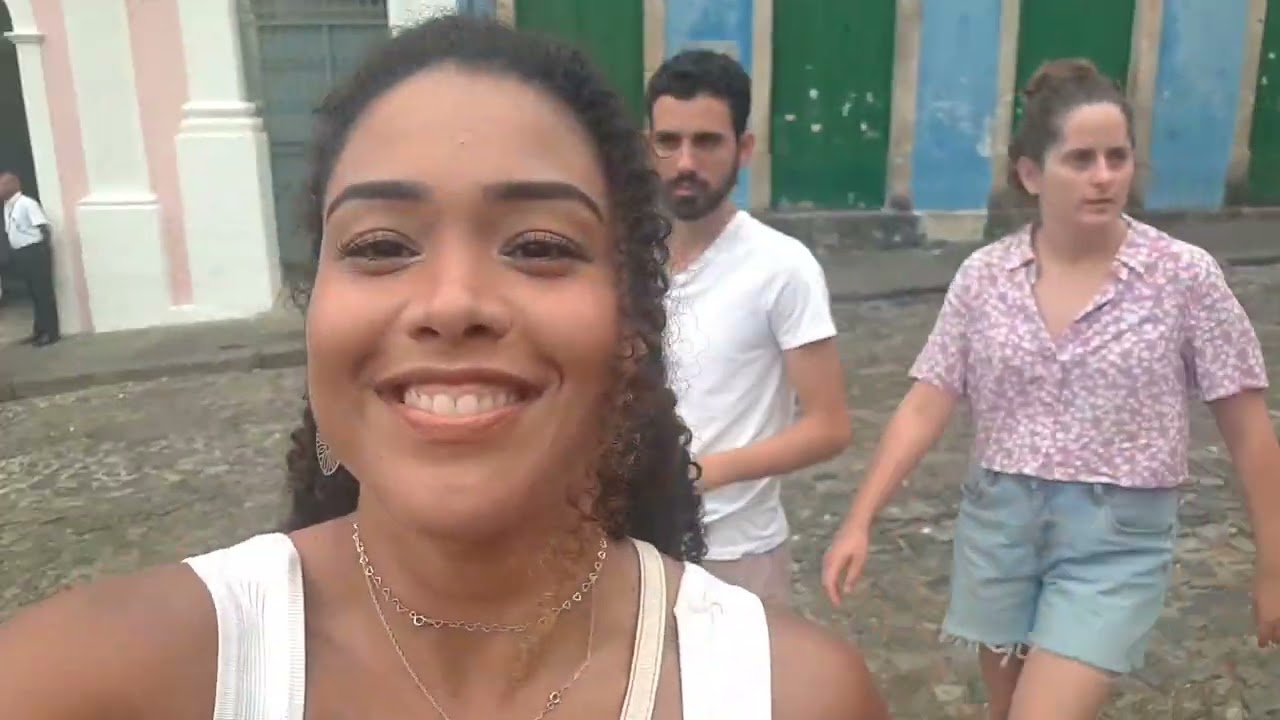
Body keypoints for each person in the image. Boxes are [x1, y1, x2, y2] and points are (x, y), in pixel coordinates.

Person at [0, 16, 890, 720]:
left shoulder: (789, 696)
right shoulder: (92, 681)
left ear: (631, 329)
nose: (452, 300)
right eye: (380, 245)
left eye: (540, 245)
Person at [822, 58, 1280, 720]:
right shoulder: (985, 277)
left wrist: (1272, 564)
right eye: (1081, 159)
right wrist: (859, 519)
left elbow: (1249, 429)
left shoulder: (1183, 278)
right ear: (1031, 173)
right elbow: (927, 401)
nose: (1103, 177)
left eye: (1117, 158)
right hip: (1000, 531)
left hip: (1115, 541)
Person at [646, 50, 852, 607]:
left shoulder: (781, 268)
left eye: (707, 142)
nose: (685, 161)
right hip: (634, 545)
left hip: (736, 554)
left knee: (742, 696)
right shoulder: (626, 261)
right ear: (650, 147)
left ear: (744, 149)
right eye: (670, 141)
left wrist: (701, 472)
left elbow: (829, 426)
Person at [1, 171, 60, 345]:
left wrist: (42, 251)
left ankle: (51, 332)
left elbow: (42, 227)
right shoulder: (7, 206)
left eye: (3, 185)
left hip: (34, 251)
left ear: (14, 185)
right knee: (33, 293)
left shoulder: (26, 203)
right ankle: (39, 330)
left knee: (43, 293)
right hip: (20, 253)